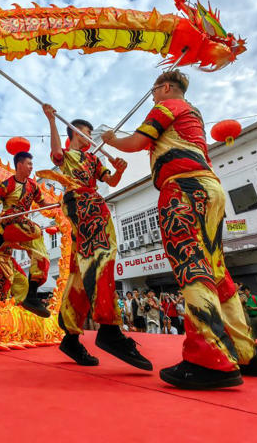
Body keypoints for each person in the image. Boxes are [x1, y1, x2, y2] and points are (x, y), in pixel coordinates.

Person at [102, 69, 257, 389]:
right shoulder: (192, 113)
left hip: (183, 190)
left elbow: (137, 141)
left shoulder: (168, 107)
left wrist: (111, 140)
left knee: (191, 265)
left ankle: (209, 357)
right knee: (216, 270)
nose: (151, 96)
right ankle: (246, 352)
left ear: (166, 87)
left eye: (154, 90)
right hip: (209, 188)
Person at [43, 106, 152, 369]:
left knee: (82, 270)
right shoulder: (68, 156)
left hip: (95, 202)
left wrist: (121, 169)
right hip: (81, 204)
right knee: (101, 256)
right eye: (85, 132)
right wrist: (51, 120)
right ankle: (109, 329)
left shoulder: (94, 160)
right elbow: (56, 153)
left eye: (91, 133)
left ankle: (69, 335)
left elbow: (112, 182)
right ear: (73, 133)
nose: (89, 136)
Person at [0, 151, 51, 317]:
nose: (31, 167)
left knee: (42, 256)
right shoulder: (5, 185)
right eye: (29, 164)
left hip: (24, 225)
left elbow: (43, 203)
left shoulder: (33, 186)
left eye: (32, 164)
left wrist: (58, 204)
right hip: (7, 227)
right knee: (1, 285)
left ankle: (31, 296)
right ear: (19, 165)